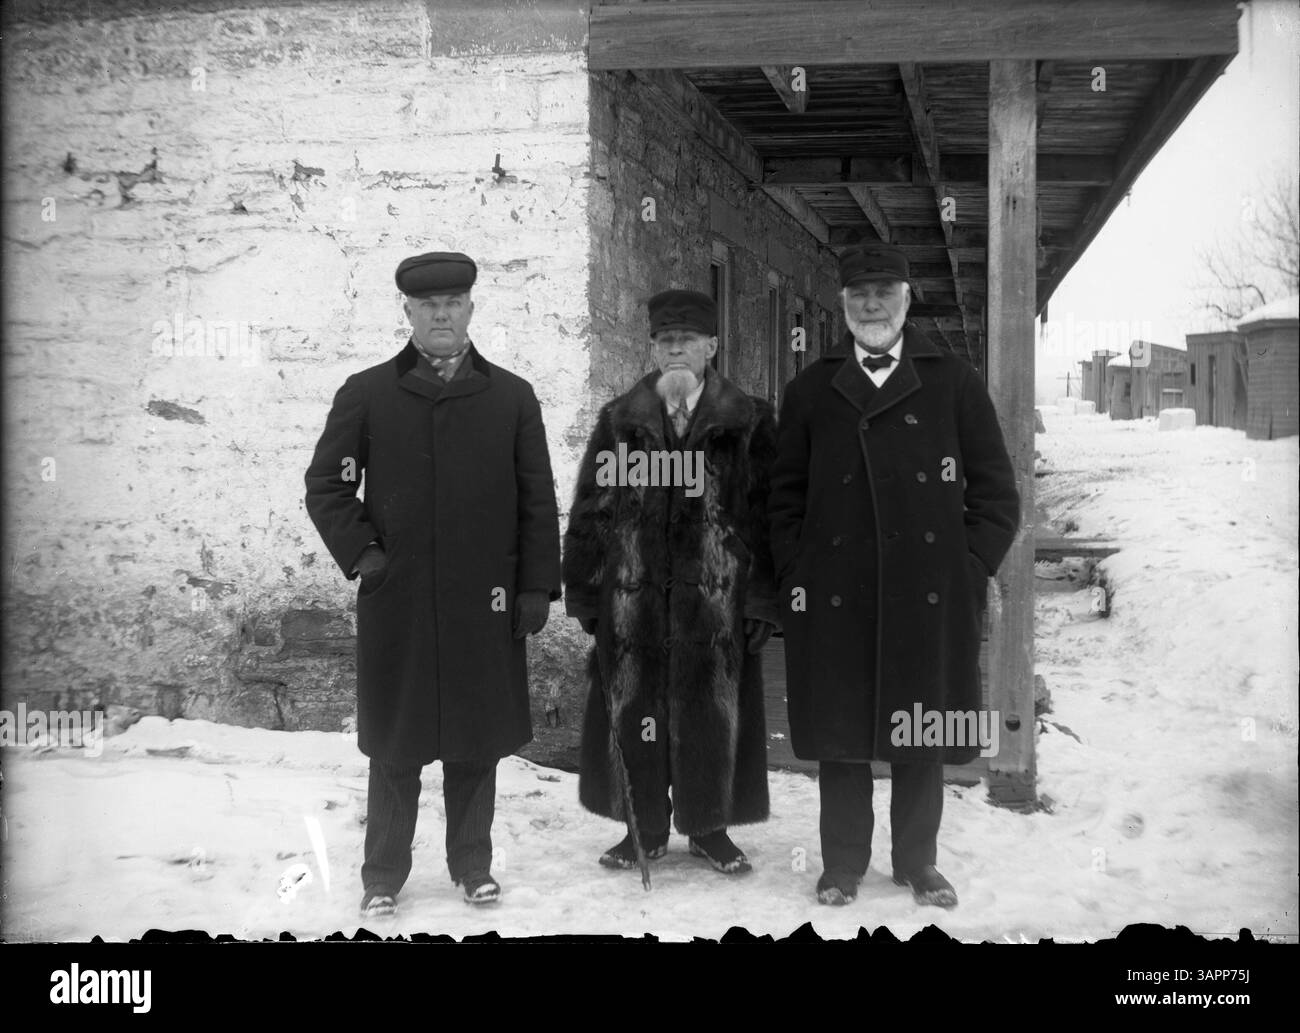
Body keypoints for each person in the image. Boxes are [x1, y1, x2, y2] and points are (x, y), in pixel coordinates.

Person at [304, 252, 561, 915]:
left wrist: (535, 587)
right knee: (397, 744)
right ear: (409, 314)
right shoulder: (368, 393)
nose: (441, 314)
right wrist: (366, 557)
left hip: (486, 603)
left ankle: (472, 864)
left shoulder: (511, 397)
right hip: (402, 603)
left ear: (471, 310)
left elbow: (537, 499)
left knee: (477, 742)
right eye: (428, 306)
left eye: (453, 303)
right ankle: (383, 874)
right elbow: (328, 485)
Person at [768, 243, 1020, 908]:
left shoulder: (953, 381)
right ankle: (841, 865)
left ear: (907, 297)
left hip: (928, 591)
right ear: (842, 304)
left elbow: (996, 493)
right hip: (835, 594)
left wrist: (967, 568)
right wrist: (797, 571)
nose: (872, 304)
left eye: (884, 291)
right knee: (842, 737)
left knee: (921, 733)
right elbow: (780, 497)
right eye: (859, 294)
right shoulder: (810, 389)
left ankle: (918, 863)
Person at [563, 289, 779, 877]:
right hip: (635, 603)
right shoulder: (620, 421)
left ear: (712, 346)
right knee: (637, 711)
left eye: (688, 339)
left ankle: (710, 829)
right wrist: (585, 592)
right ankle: (645, 828)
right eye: (665, 340)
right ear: (653, 348)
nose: (676, 349)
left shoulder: (751, 422)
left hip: (718, 606)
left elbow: (771, 516)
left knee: (712, 711)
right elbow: (592, 510)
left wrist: (763, 598)